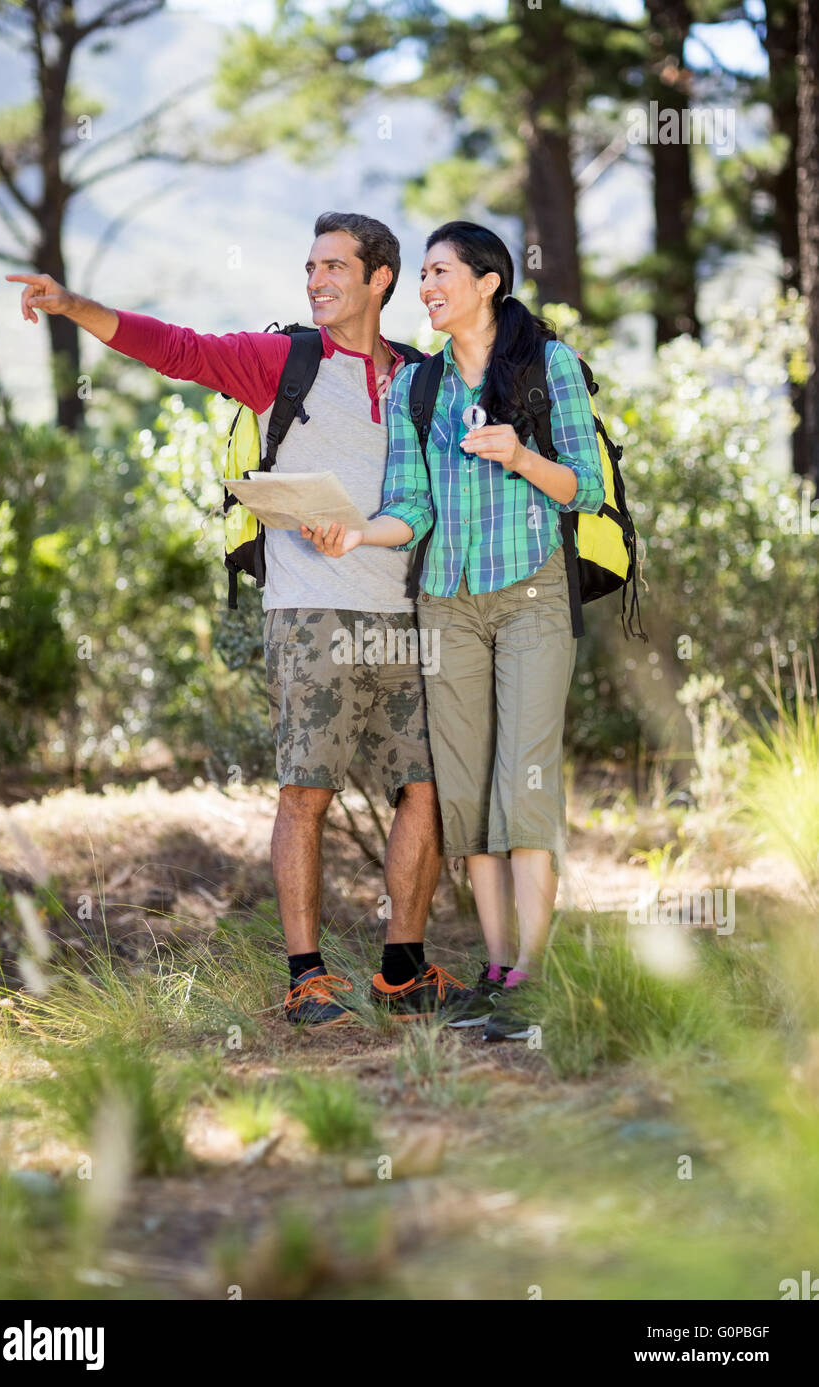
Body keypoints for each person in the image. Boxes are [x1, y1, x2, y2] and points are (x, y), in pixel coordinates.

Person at [6, 212, 477, 1027]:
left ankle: (403, 971)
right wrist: (75, 304)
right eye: (310, 267)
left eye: (335, 267)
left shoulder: (417, 375)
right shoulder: (283, 360)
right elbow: (177, 348)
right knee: (306, 792)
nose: (317, 280)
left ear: (381, 280)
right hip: (309, 609)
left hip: (406, 612)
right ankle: (307, 978)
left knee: (428, 788)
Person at [302, 220, 605, 1040]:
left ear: (489, 281)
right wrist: (359, 532)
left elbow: (585, 487)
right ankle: (498, 973)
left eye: (441, 273)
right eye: (424, 275)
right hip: (447, 602)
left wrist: (519, 455)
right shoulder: (417, 388)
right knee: (466, 788)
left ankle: (534, 979)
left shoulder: (550, 366)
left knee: (525, 779)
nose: (427, 287)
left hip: (532, 593)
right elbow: (413, 506)